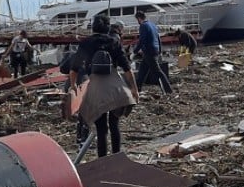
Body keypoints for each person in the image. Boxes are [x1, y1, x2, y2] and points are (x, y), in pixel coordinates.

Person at [69, 16, 139, 157]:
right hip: (115, 87)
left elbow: (74, 69)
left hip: (96, 88)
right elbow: (127, 68)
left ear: (93, 28)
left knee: (101, 129)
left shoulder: (86, 43)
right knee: (114, 125)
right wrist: (134, 89)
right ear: (108, 28)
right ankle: (117, 157)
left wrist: (73, 86)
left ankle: (103, 160)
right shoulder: (114, 41)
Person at [134, 10, 173, 94]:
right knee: (142, 71)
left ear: (138, 18)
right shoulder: (153, 25)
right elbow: (158, 38)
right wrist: (159, 50)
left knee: (158, 72)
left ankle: (168, 90)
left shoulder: (143, 26)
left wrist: (135, 51)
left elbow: (142, 40)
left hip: (149, 51)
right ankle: (137, 88)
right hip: (155, 50)